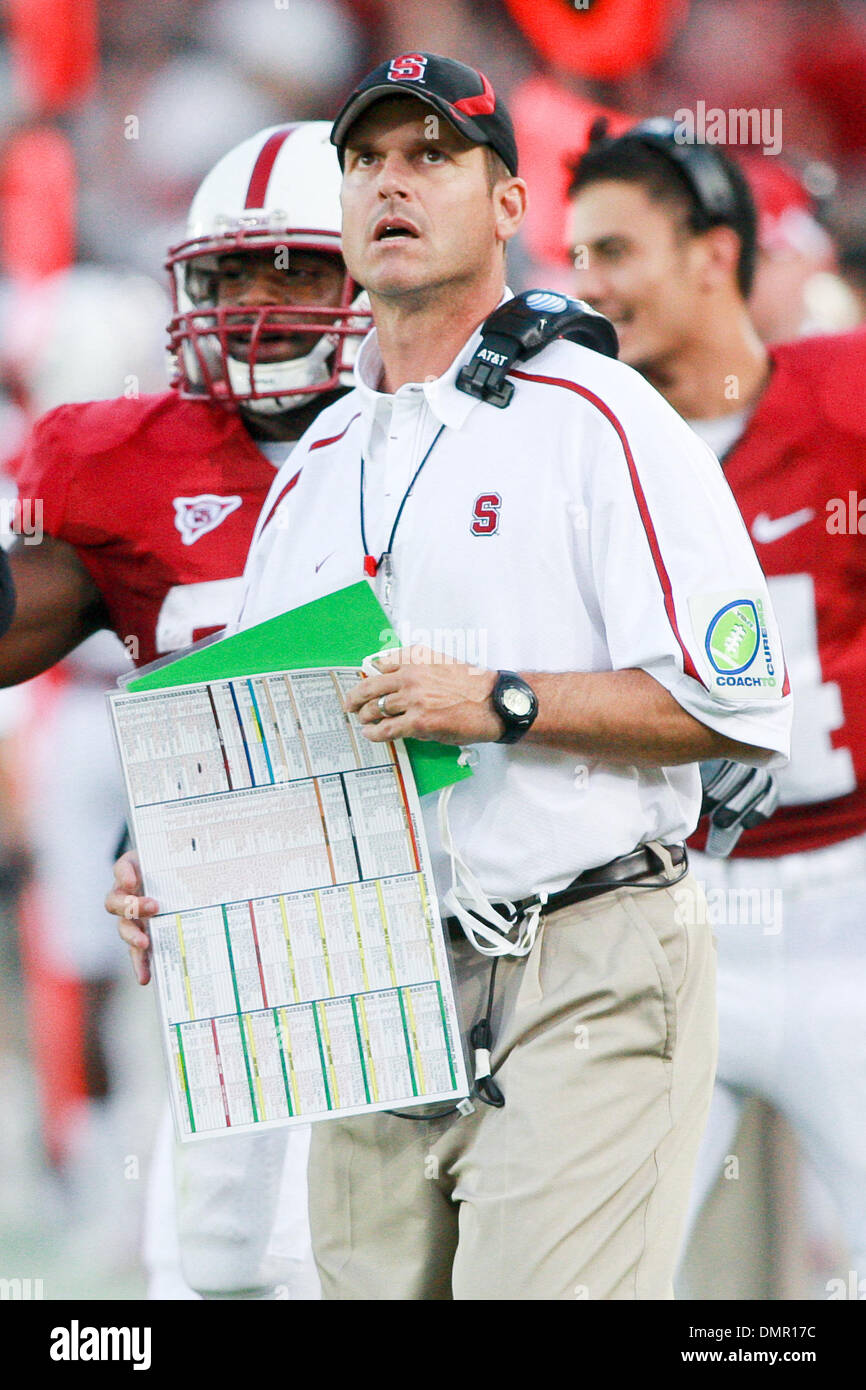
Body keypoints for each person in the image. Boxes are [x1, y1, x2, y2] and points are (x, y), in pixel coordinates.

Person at [117, 54, 792, 1301]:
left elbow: (736, 705)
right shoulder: (317, 461)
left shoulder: (598, 414)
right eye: (366, 159)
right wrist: (180, 858)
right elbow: (281, 740)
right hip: (370, 978)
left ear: (504, 206)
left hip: (579, 951)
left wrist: (500, 702)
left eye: (431, 156)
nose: (392, 182)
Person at [1, 120, 369, 1298]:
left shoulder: (445, 438)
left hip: (430, 931)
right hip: (235, 953)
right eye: (228, 275)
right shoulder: (127, 458)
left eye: (296, 269)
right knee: (207, 1274)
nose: (257, 306)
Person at [566, 119, 866, 1291]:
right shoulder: (578, 446)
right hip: (664, 915)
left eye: (613, 251)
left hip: (848, 906)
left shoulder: (838, 400)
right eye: (574, 253)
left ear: (710, 253)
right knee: (583, 1273)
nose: (584, 284)